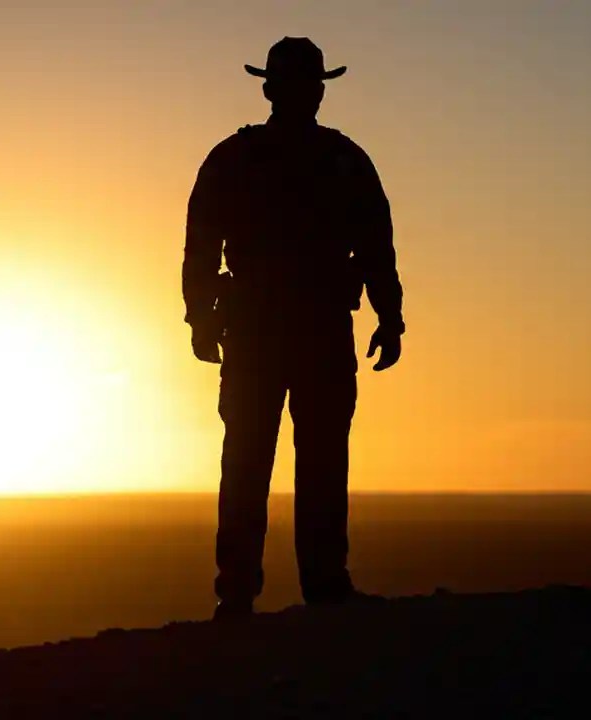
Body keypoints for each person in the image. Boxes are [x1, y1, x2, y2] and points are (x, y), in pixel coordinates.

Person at [182, 37, 405, 620]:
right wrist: (389, 316)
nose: (309, 95)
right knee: (281, 458)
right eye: (304, 85)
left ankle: (254, 593)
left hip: (284, 330)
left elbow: (375, 245)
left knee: (271, 458)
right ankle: (282, 589)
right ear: (277, 90)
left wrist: (390, 315)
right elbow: (201, 245)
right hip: (295, 330)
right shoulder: (339, 159)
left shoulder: (243, 158)